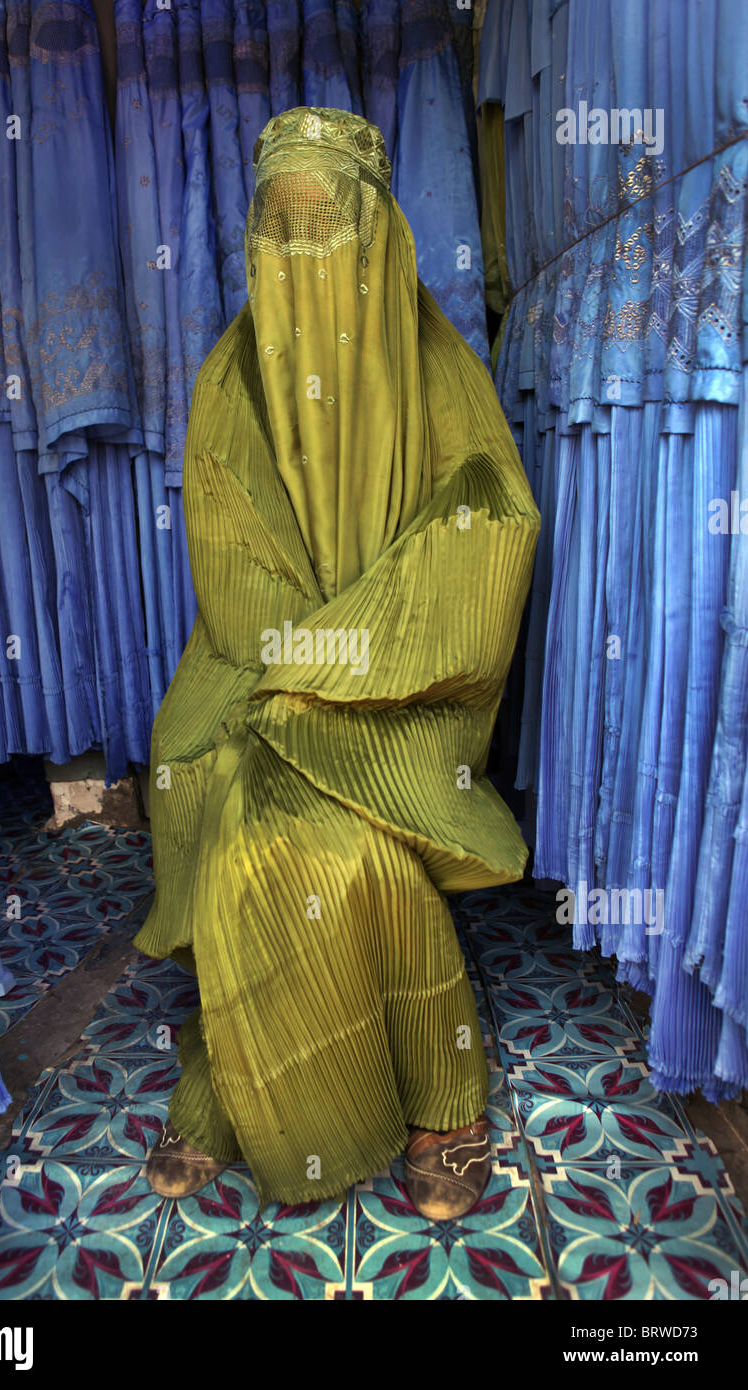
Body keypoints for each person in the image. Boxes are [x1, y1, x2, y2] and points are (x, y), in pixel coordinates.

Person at [134, 106, 540, 1220]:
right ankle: (249, 1070)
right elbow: (231, 569)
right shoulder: (230, 381)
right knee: (199, 782)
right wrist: (291, 675)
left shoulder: (438, 374)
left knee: (325, 838)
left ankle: (432, 1089)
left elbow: (486, 533)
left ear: (382, 238)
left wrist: (347, 660)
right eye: (280, 228)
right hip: (255, 674)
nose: (304, 255)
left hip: (405, 696)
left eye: (329, 226)